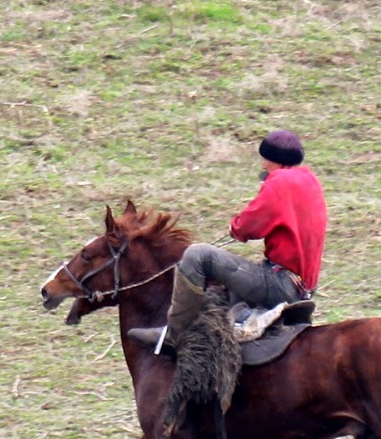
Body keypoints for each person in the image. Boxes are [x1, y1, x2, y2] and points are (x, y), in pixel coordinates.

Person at [130, 128, 328, 352]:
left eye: (265, 159)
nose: (263, 165)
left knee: (197, 255)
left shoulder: (280, 182)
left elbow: (251, 224)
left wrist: (236, 228)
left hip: (280, 284)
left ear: (276, 160)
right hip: (303, 287)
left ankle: (174, 334)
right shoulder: (310, 181)